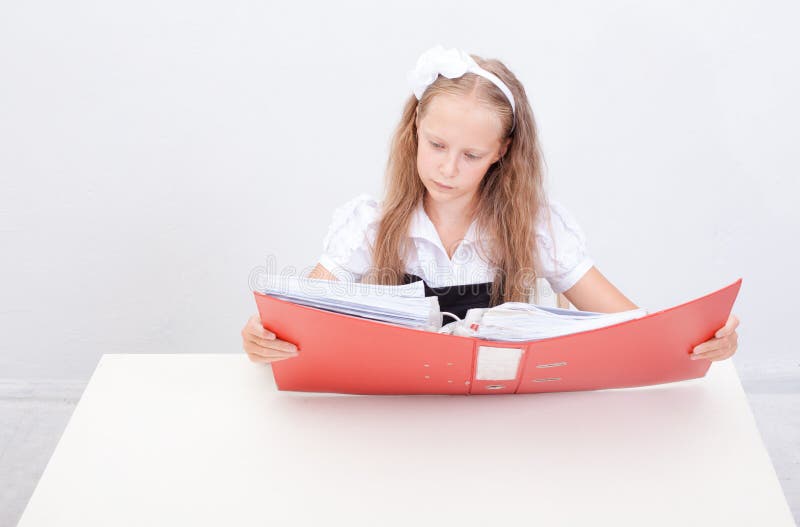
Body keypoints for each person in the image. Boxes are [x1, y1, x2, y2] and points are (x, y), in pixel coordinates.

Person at [241, 45, 740, 365]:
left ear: (501, 152)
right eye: (437, 145)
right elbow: (295, 320)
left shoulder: (535, 227)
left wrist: (703, 339)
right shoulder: (370, 225)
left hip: (503, 424)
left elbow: (631, 326)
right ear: (414, 130)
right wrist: (264, 336)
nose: (447, 168)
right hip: (400, 421)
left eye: (471, 155)